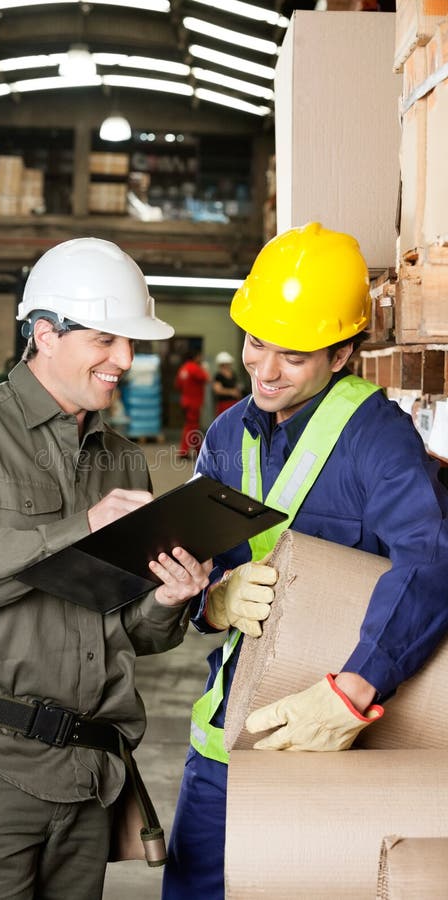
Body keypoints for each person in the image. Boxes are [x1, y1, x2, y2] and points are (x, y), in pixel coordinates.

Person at [0, 237, 212, 900]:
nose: (126, 360)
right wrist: (81, 527)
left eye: (129, 343)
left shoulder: (120, 459)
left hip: (91, 769)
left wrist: (169, 598)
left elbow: (129, 629)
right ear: (45, 333)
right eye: (107, 340)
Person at [162, 222, 448, 900]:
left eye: (292, 356)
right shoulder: (226, 435)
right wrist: (212, 601)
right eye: (257, 343)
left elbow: (431, 558)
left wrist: (354, 689)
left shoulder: (378, 437)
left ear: (344, 351)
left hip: (333, 740)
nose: (264, 370)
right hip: (224, 740)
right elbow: (197, 560)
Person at [175, 348, 210, 458]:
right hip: (194, 402)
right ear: (196, 357)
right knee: (191, 426)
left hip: (185, 401)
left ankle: (198, 449)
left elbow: (178, 385)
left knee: (192, 426)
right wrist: (204, 369)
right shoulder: (195, 368)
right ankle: (184, 451)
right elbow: (206, 378)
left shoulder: (183, 368)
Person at [212, 350, 242, 417]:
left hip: (234, 403)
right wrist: (231, 392)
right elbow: (217, 390)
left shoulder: (233, 374)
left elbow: (236, 387)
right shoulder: (218, 376)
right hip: (223, 403)